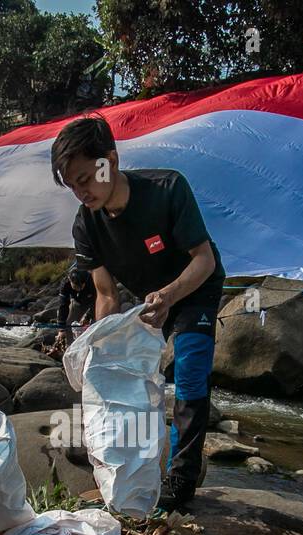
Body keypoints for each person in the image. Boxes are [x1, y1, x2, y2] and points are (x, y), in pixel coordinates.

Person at [50, 115, 223, 511]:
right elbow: (106, 294)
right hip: (147, 302)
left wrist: (171, 293)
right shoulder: (87, 224)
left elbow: (204, 260)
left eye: (84, 179)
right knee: (122, 377)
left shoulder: (168, 189)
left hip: (193, 289)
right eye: (71, 185)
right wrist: (97, 341)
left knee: (190, 375)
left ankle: (181, 478)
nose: (81, 192)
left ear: (108, 160)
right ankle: (116, 454)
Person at [54, 265, 96, 347]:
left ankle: (92, 346)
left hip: (92, 301)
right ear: (70, 281)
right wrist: (62, 329)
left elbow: (97, 300)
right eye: (76, 286)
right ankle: (69, 346)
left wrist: (88, 316)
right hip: (77, 303)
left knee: (95, 325)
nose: (79, 289)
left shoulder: (91, 281)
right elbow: (63, 306)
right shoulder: (65, 285)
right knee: (68, 324)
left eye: (81, 286)